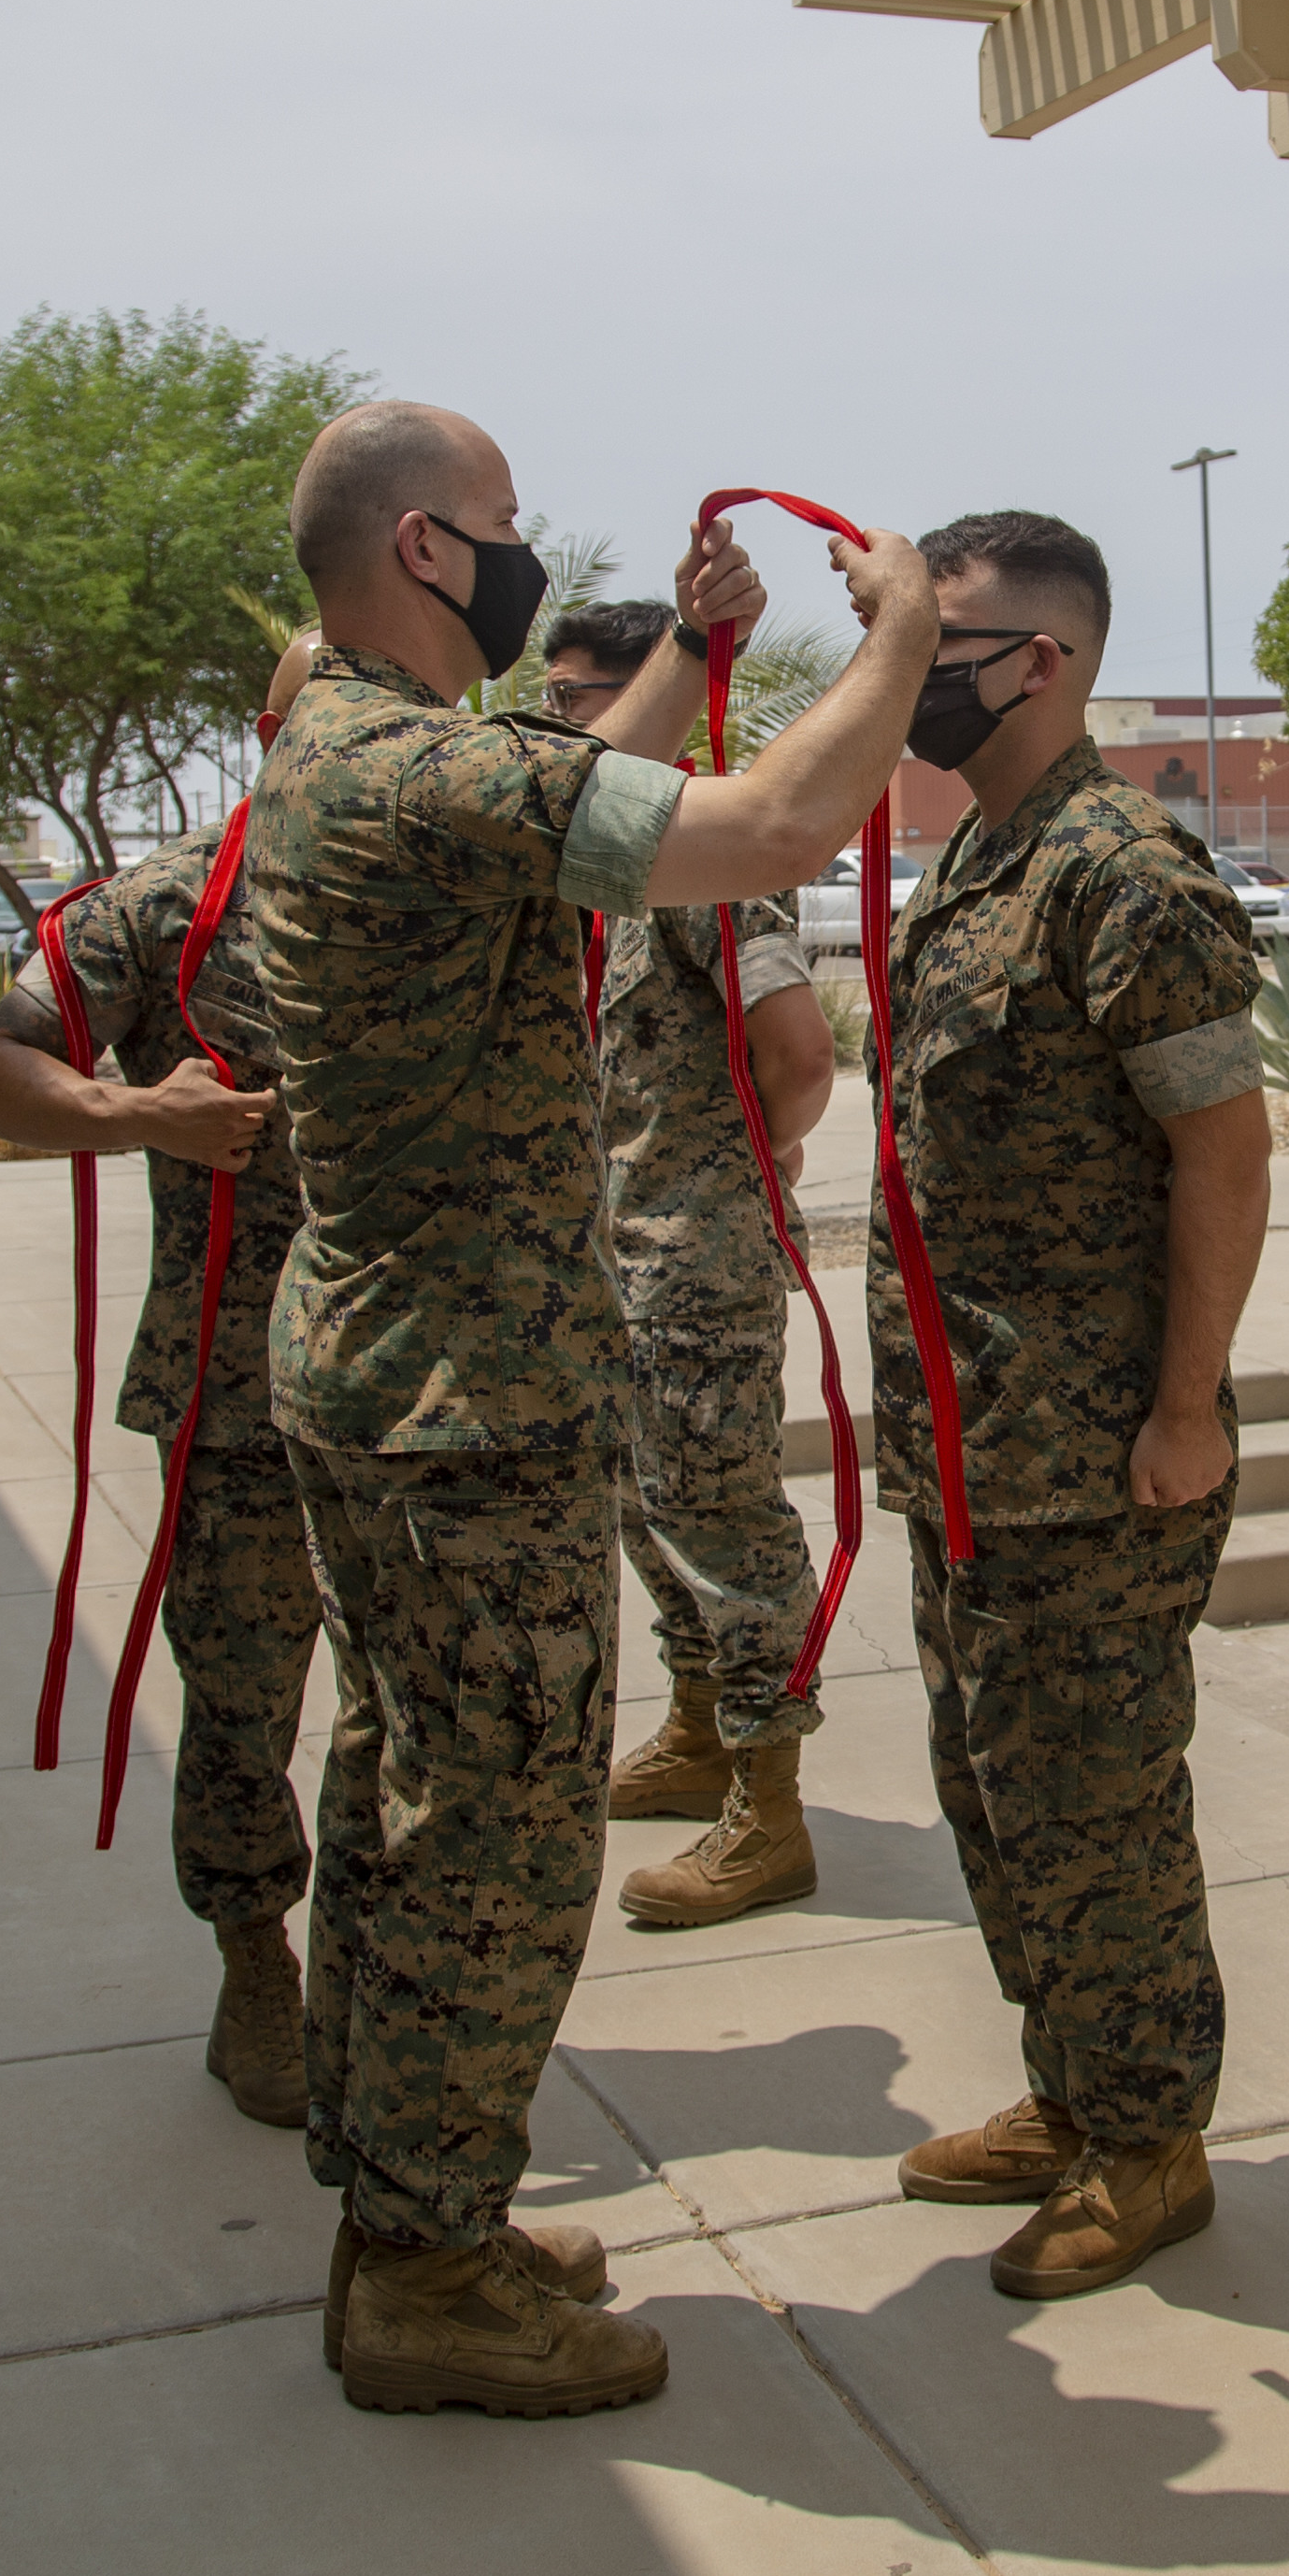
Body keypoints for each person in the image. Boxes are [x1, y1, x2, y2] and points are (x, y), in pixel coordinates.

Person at [250, 402, 938, 2417]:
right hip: (469, 1406)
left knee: (399, 1791)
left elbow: (560, 789)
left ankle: (413, 2206)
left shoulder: (348, 746)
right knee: (492, 1833)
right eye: (505, 526)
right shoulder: (407, 764)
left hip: (380, 1373)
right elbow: (763, 837)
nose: (529, 547)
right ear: (430, 553)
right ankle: (429, 2282)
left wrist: (692, 658)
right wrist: (885, 639)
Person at [871, 509, 1269, 2304]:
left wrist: (1183, 1411)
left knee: (1097, 1811)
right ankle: (1070, 2086)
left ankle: (1148, 2139)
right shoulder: (978, 862)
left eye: (935, 638)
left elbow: (1222, 1151)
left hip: (1093, 1461)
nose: (906, 670)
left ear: (1038, 661)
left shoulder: (1120, 871)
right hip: (971, 1455)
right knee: (993, 1791)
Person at [0, 634, 330, 2125]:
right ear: (270, 733)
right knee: (241, 1697)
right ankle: (257, 1966)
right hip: (242, 1389)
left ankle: (409, 1985)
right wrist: (133, 1113)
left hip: (443, 1391)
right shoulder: (173, 903)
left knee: (436, 1713)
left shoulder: (454, 891)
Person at [537, 596, 838, 1929]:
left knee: (726, 1530)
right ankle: (701, 1733)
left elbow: (802, 1056)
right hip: (609, 1267)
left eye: (582, 699)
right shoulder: (594, 873)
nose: (560, 725)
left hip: (695, 1268)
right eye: (549, 699)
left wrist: (729, 1185)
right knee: (642, 1512)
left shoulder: (700, 864)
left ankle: (768, 1814)